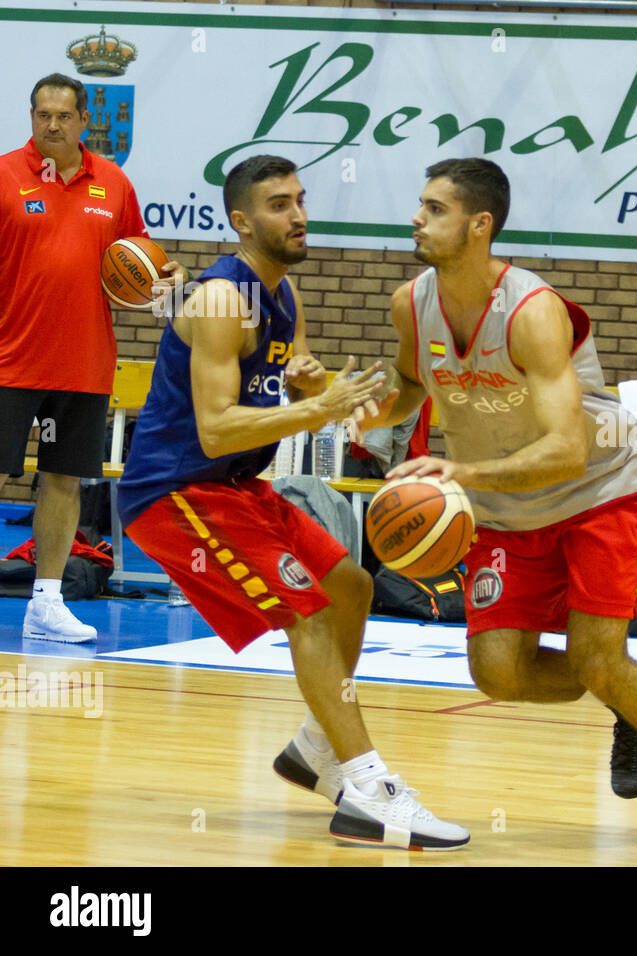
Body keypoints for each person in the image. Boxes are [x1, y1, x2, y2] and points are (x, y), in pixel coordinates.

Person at [369, 158, 637, 848]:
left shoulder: (532, 312)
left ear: (480, 226)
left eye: (435, 209)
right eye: (420, 204)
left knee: (596, 659)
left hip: (597, 489)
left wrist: (458, 469)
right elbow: (409, 384)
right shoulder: (410, 302)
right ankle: (636, 687)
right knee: (498, 672)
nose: (417, 218)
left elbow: (566, 451)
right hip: (506, 504)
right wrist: (345, 402)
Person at [115, 154, 469, 850]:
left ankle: (315, 748)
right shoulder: (220, 300)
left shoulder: (284, 298)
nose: (299, 214)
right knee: (307, 609)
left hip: (235, 487)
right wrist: (319, 409)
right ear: (242, 221)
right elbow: (216, 427)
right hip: (175, 493)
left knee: (352, 585)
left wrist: (317, 387)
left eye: (301, 200)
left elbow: (296, 388)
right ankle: (369, 789)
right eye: (279, 204)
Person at [0, 72, 184, 643]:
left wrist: (164, 278)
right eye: (41, 114)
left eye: (63, 115)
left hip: (81, 365)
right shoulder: (5, 175)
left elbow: (138, 266)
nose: (52, 124)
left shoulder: (114, 184)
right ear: (31, 117)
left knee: (61, 482)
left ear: (84, 121)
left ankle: (46, 604)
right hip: (9, 362)